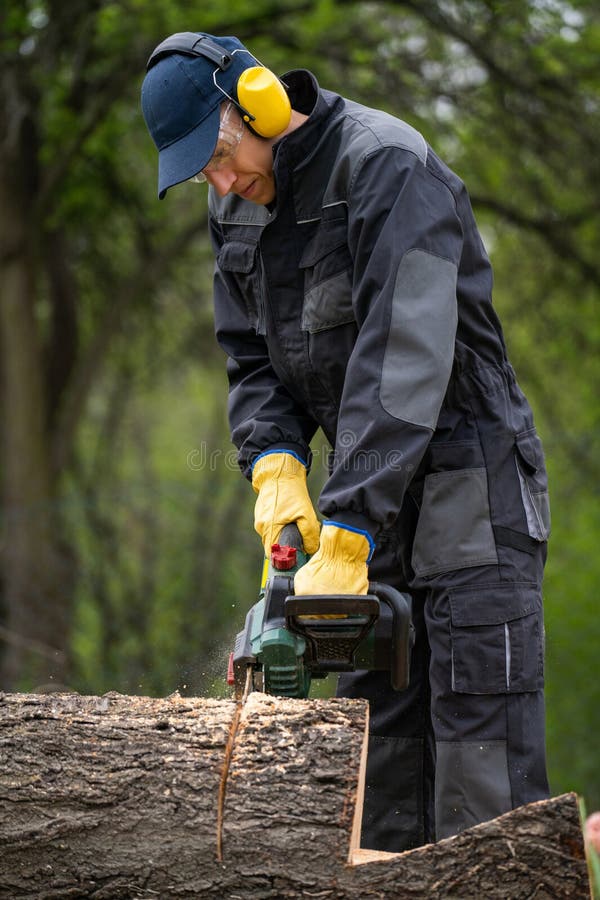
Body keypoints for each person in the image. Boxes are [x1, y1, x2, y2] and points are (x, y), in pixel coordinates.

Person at [141, 31, 552, 851]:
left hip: (469, 487)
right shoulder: (237, 209)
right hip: (365, 503)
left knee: (481, 758)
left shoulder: (387, 168)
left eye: (219, 155)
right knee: (377, 757)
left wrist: (353, 514)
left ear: (258, 99)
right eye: (201, 173)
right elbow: (250, 356)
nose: (218, 182)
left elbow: (408, 355)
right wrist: (274, 462)